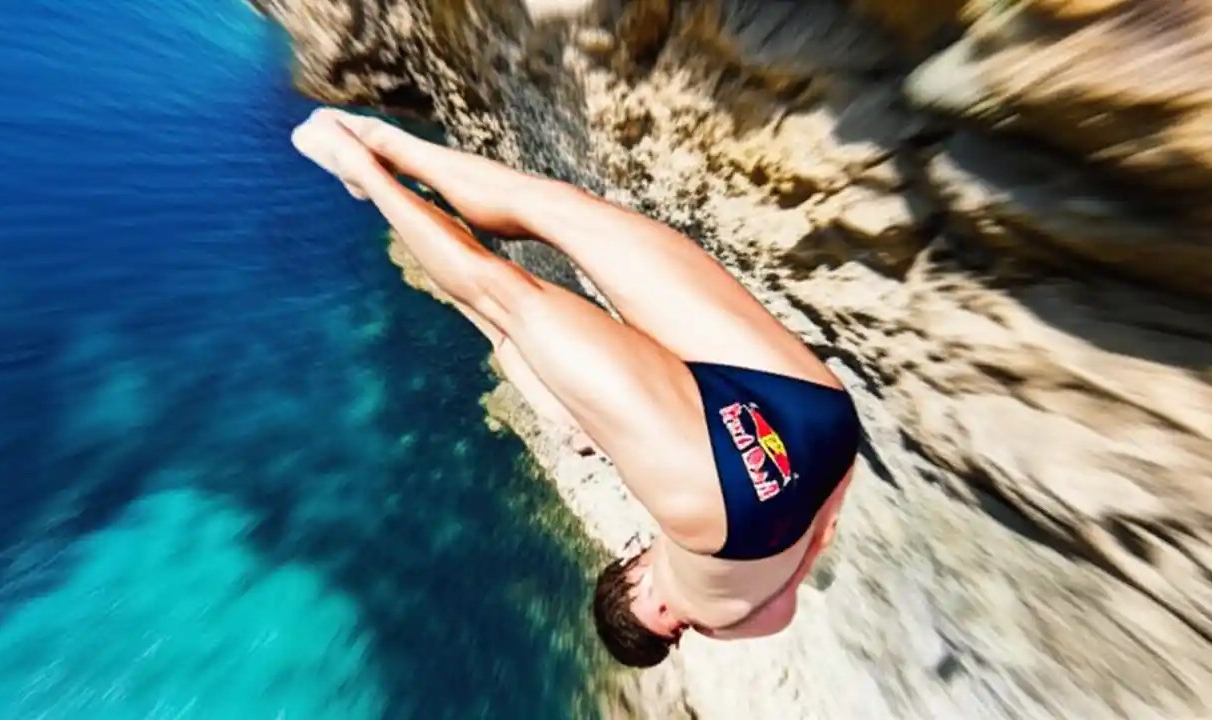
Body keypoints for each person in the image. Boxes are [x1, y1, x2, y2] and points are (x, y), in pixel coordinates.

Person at [290, 108, 862, 668]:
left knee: (542, 257)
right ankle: (366, 157)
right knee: (512, 284)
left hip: (821, 428)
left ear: (675, 634)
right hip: (721, 496)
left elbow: (821, 534)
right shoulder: (669, 583)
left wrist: (826, 479)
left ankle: (373, 153)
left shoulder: (748, 623)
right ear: (634, 582)